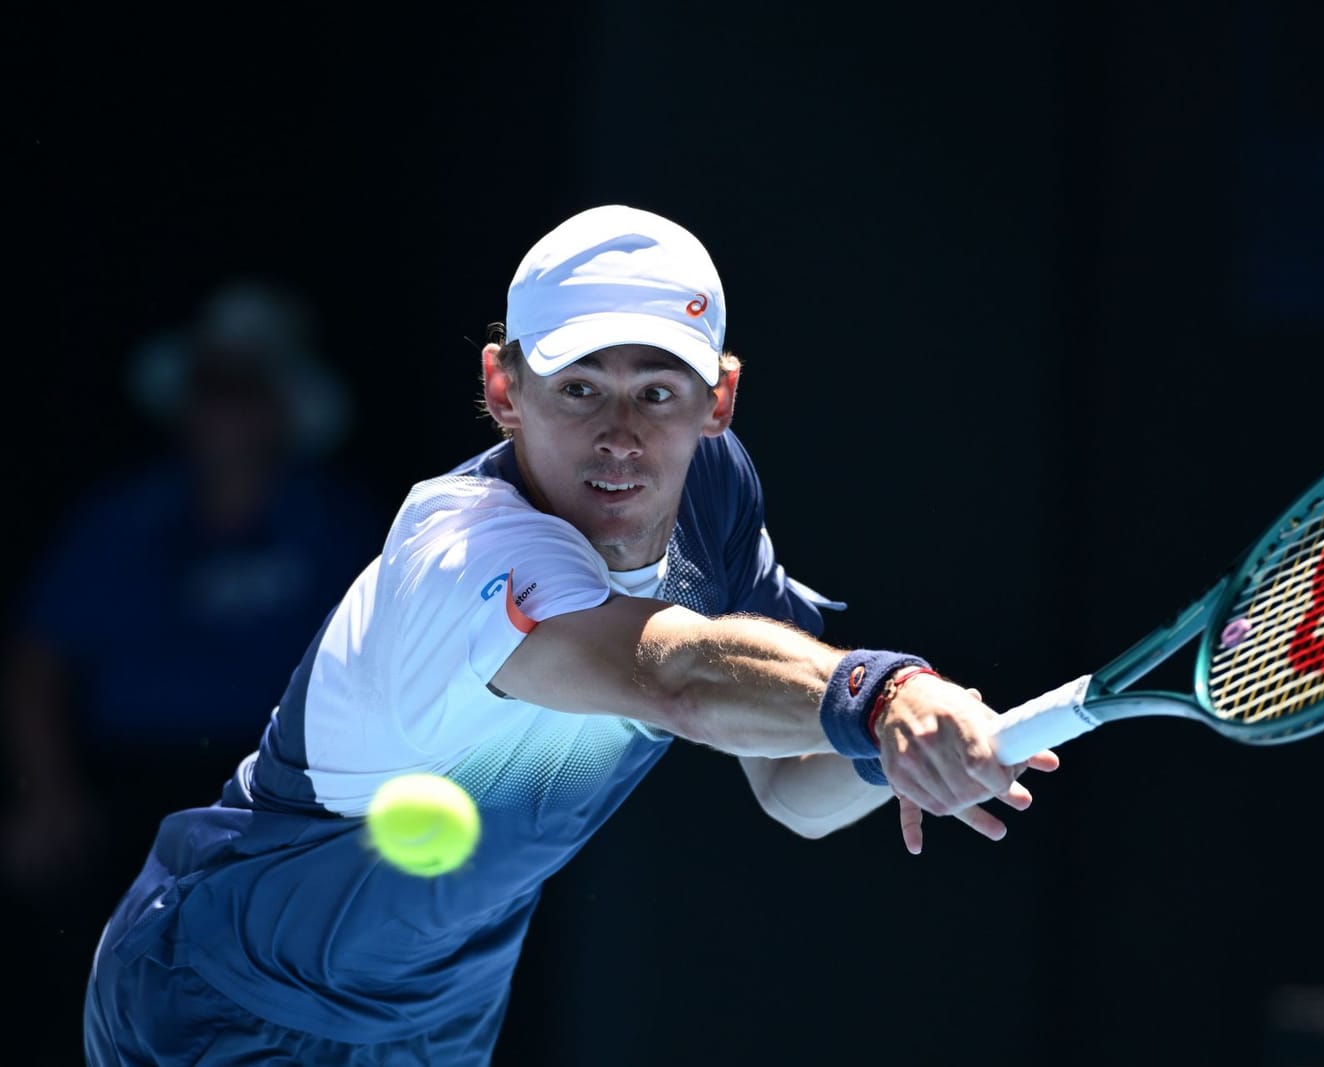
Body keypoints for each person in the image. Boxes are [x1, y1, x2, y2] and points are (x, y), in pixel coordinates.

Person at [81, 205, 1060, 1064]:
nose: (622, 435)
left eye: (658, 390)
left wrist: (905, 751)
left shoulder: (711, 496)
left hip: (442, 1016)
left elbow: (792, 788)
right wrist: (882, 697)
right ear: (504, 389)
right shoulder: (461, 549)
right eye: (579, 387)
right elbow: (668, 673)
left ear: (718, 399)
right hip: (219, 1001)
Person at [1, 279, 383, 1064]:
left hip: (280, 799)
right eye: (212, 388)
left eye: (248, 391)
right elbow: (39, 661)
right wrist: (48, 796)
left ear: (284, 407)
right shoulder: (122, 517)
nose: (225, 411)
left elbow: (387, 671)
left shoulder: (340, 523)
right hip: (130, 792)